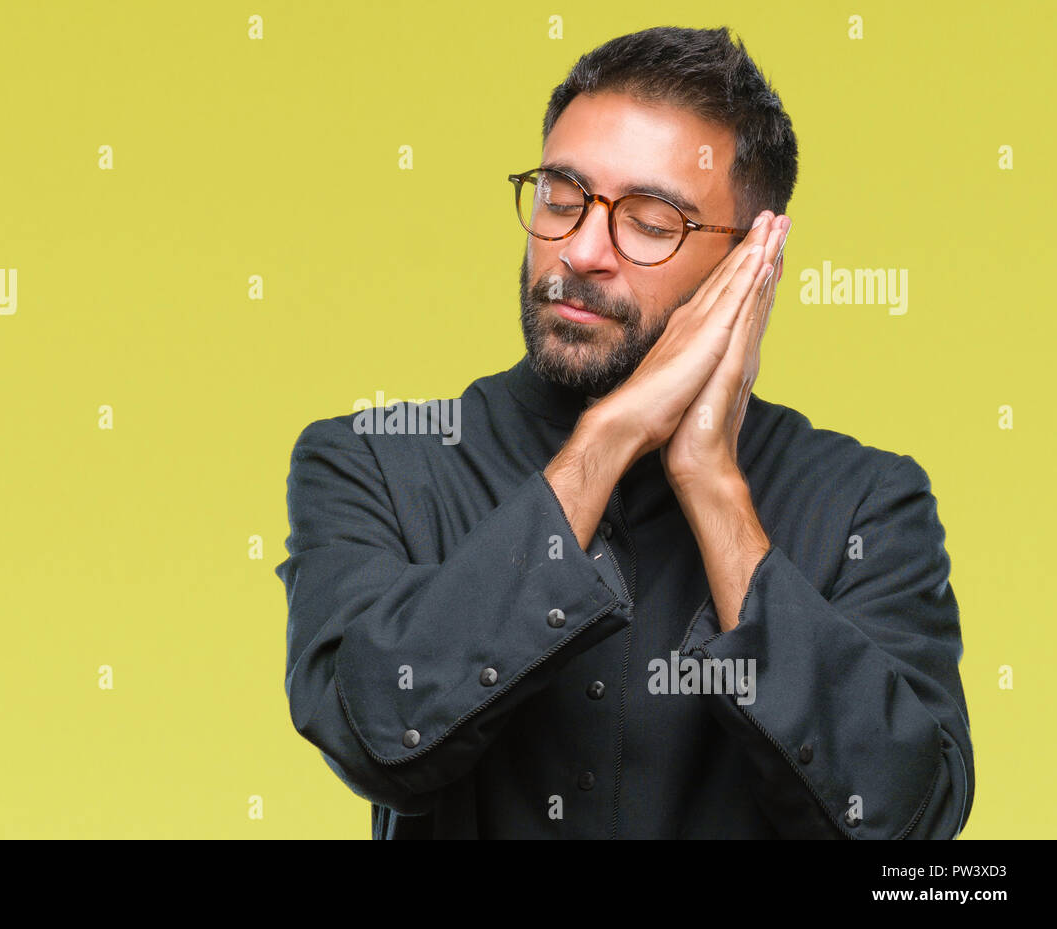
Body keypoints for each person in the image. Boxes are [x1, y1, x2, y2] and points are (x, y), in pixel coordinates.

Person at [275, 25, 973, 839]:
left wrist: (713, 483)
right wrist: (606, 440)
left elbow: (903, 821)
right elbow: (374, 735)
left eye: (647, 222)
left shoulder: (866, 505)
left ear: (750, 263)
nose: (579, 249)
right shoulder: (374, 462)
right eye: (561, 198)